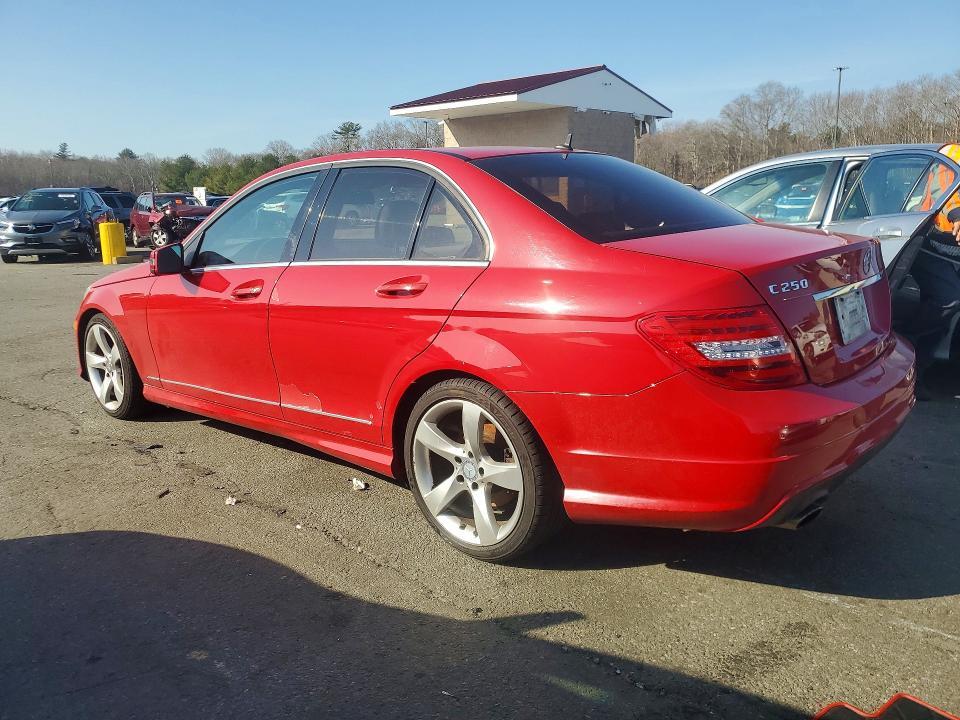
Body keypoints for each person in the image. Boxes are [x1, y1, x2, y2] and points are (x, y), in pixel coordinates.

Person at [909, 204, 960, 399]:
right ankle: (908, 361)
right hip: (931, 243)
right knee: (948, 300)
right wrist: (957, 214)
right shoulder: (948, 172)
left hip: (951, 248)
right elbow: (945, 189)